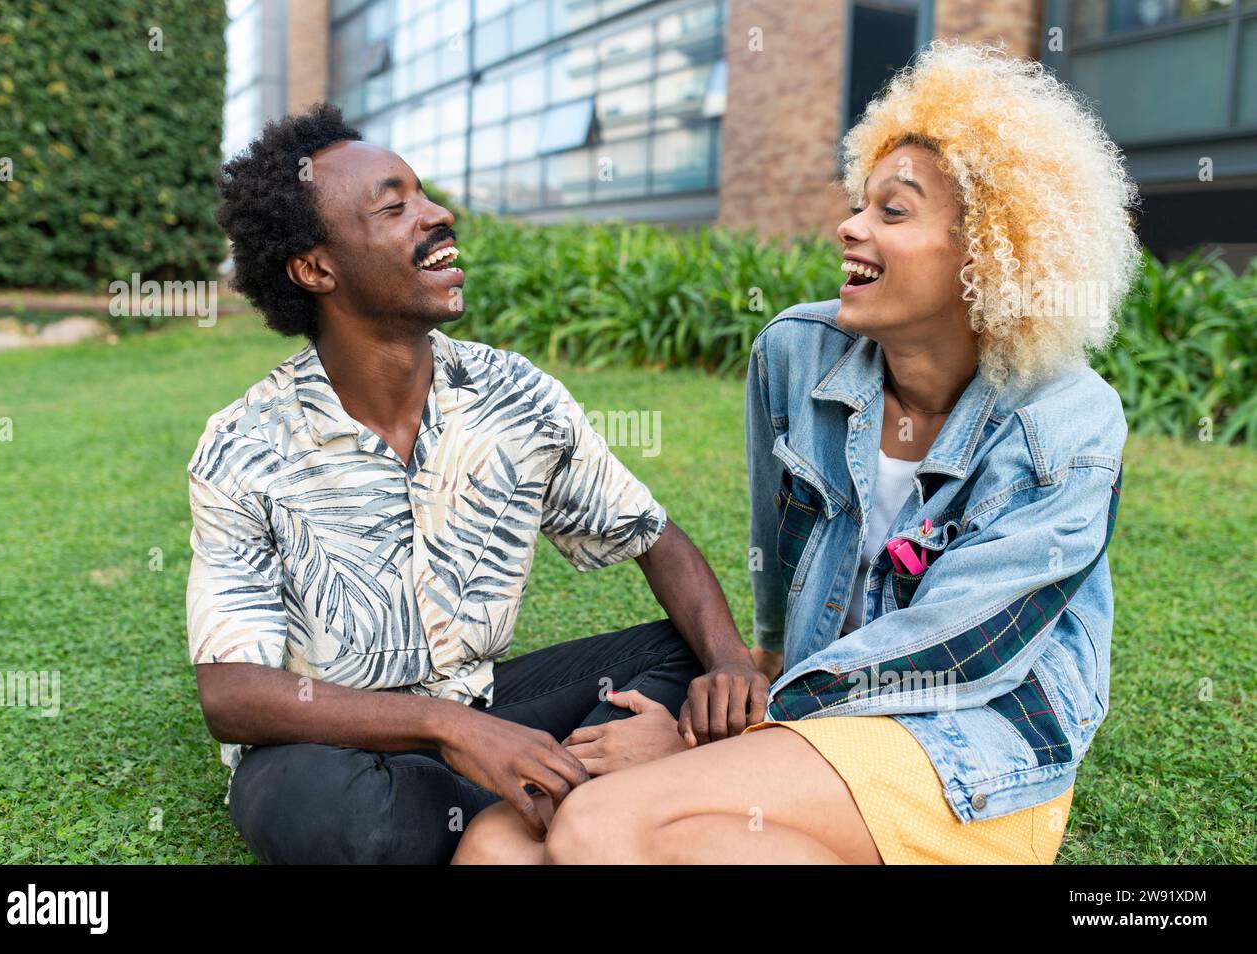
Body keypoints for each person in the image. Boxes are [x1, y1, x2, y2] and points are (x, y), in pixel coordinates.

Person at [453, 41, 1139, 865]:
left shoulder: (1065, 422)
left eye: (893, 211)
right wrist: (747, 674)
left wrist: (737, 734)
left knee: (601, 823)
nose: (849, 225)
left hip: (971, 746)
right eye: (860, 203)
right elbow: (776, 567)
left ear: (988, 253)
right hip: (814, 723)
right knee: (498, 842)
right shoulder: (799, 354)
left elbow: (963, 648)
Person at [187, 103, 767, 864]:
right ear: (316, 268)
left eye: (424, 194)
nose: (439, 215)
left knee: (689, 658)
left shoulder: (512, 396)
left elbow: (652, 536)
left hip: (489, 701)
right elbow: (232, 696)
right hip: (328, 744)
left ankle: (535, 795)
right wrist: (449, 728)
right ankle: (587, 787)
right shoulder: (245, 442)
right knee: (350, 823)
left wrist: (727, 661)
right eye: (395, 207)